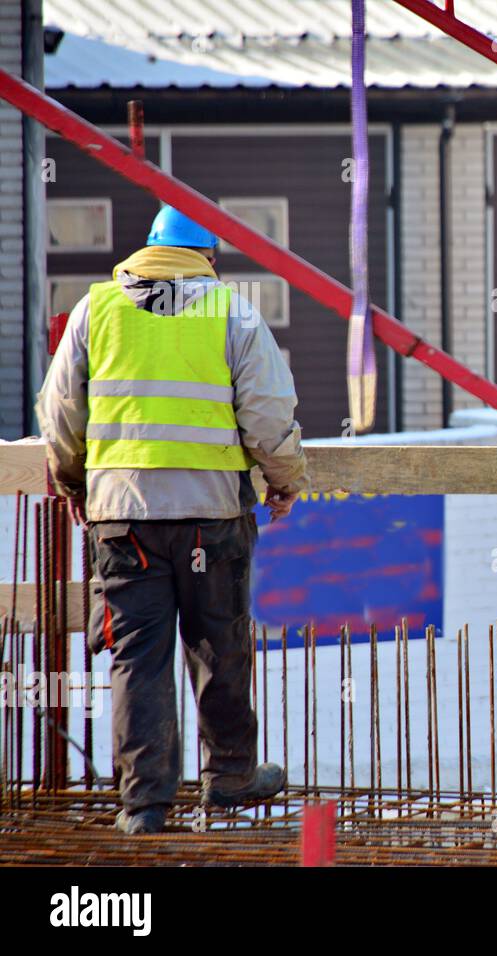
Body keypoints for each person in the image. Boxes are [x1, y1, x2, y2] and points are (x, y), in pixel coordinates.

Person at [36, 204, 308, 834]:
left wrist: (77, 482)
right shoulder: (230, 310)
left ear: (149, 249)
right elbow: (268, 412)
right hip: (210, 514)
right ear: (207, 257)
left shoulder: (94, 310)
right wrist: (286, 481)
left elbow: (59, 414)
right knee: (220, 642)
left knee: (138, 657)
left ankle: (145, 805)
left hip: (121, 517)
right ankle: (231, 777)